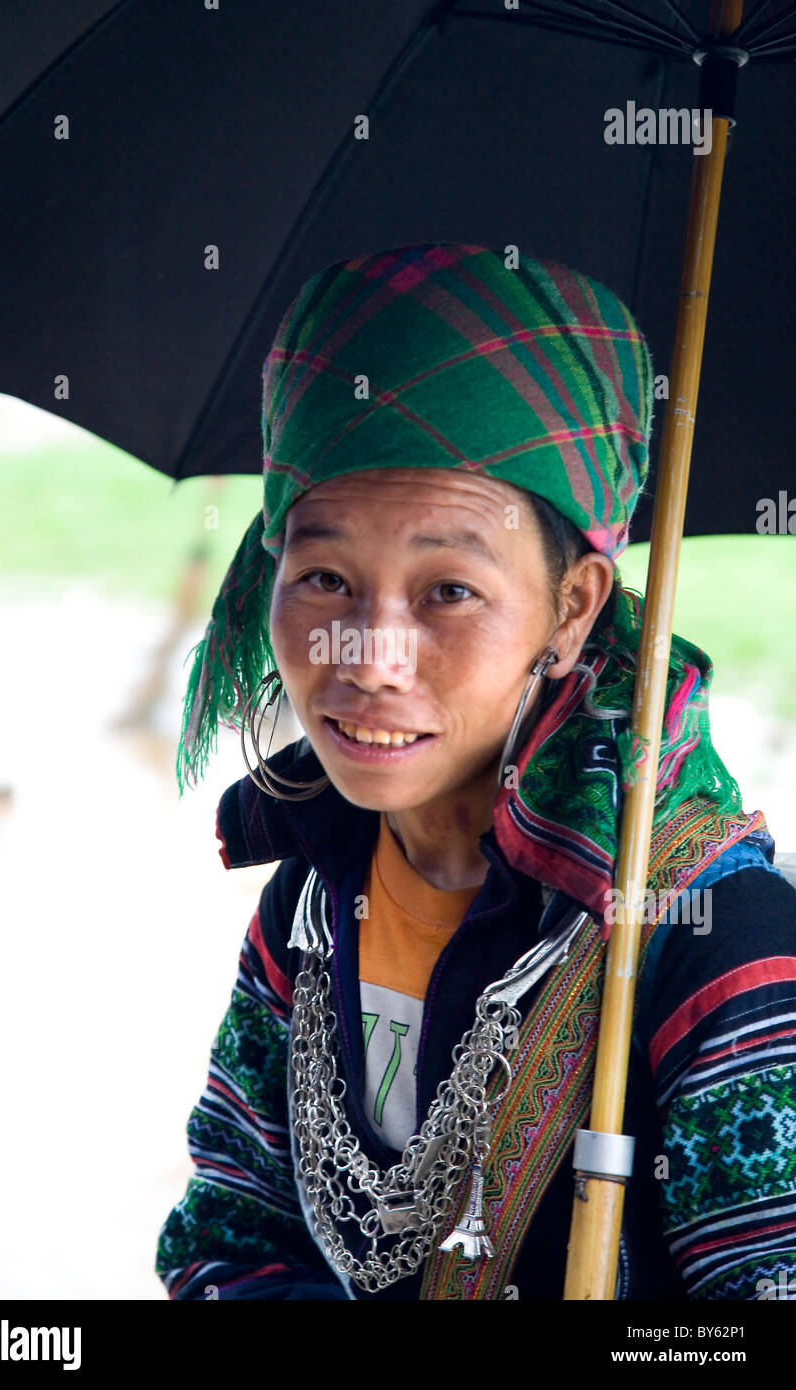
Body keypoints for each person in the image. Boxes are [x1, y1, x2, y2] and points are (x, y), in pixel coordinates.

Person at [156, 245, 796, 1301]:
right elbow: (224, 1231)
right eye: (322, 577)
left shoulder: (714, 951)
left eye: (447, 591)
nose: (367, 658)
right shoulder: (309, 908)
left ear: (574, 604)